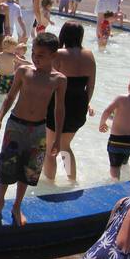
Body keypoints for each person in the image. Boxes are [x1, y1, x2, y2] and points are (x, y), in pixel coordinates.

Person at [0, 33, 66, 227]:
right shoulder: (24, 71)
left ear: (53, 56)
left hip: (38, 129)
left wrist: (57, 138)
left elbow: (59, 109)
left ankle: (17, 205)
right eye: (33, 52)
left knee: (29, 169)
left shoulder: (58, 79)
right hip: (16, 125)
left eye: (41, 55)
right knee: (7, 164)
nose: (35, 57)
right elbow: (10, 97)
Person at [43, 23, 96, 183]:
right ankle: (72, 181)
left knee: (50, 147)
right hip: (79, 103)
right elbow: (91, 85)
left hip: (58, 103)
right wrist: (86, 102)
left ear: (63, 34)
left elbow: (49, 82)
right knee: (66, 145)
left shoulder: (58, 54)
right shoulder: (89, 55)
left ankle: (49, 185)